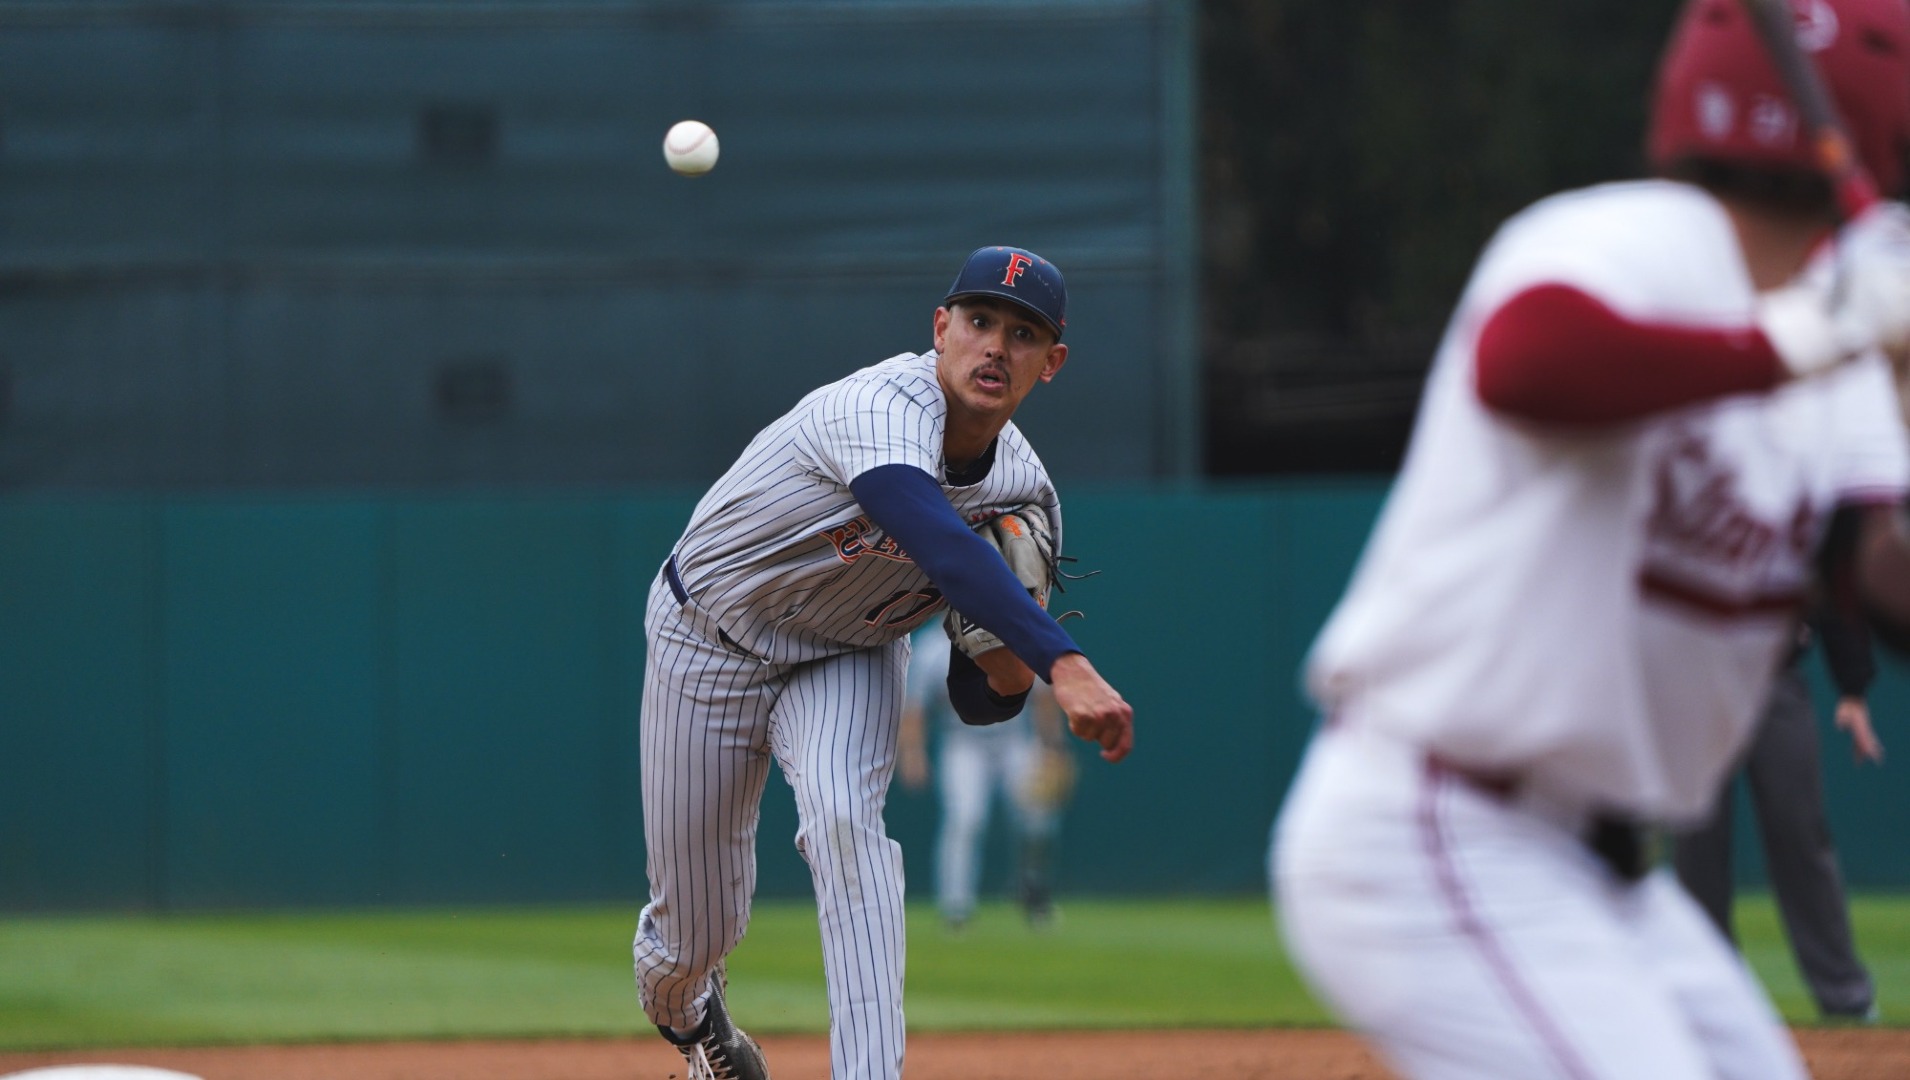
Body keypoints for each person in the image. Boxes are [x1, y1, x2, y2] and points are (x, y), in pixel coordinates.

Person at [1269, 0, 1910, 1076]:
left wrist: (1884, 372)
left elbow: (1876, 584)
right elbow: (1525, 362)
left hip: (1607, 873)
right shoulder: (1625, 239)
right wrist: (1814, 336)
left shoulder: (1844, 317)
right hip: (1434, 825)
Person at [631, 245, 1134, 1080]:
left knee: (844, 823)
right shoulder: (879, 404)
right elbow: (925, 523)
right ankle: (694, 1020)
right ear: (941, 329)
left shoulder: (1025, 493)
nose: (996, 347)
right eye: (978, 322)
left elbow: (980, 700)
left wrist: (1011, 664)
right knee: (692, 937)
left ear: (1053, 364)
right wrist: (1063, 661)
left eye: (1024, 334)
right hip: (706, 639)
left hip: (846, 653)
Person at [1674, 601, 1886, 1022]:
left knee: (1800, 835)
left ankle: (1847, 998)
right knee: (1698, 844)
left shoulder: (1796, 535)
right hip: (1695, 684)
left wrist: (1853, 688)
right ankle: (1707, 995)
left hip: (1774, 679)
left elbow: (1834, 582)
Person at [899, 625, 1073, 929]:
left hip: (1014, 739)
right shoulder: (932, 647)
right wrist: (913, 753)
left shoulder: (1014, 630)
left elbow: (1044, 697)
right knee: (965, 818)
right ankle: (956, 909)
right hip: (963, 744)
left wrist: (1052, 747)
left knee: (1038, 817)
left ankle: (1032, 891)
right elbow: (915, 708)